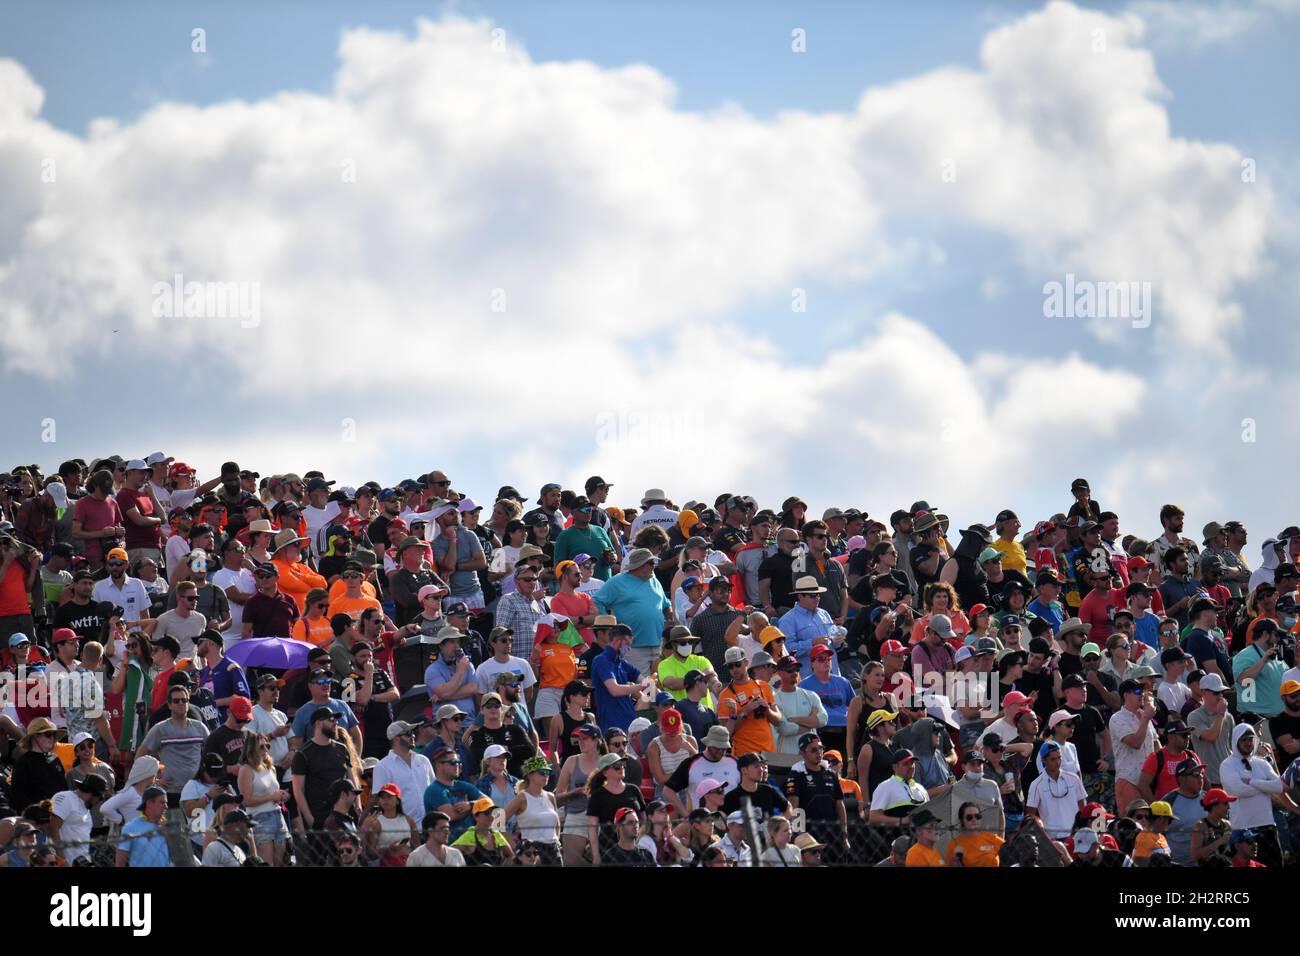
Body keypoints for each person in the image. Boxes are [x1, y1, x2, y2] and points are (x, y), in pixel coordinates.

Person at [1219, 723, 1286, 868]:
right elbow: (1239, 790)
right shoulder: (1227, 765)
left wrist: (1252, 781)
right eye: (1244, 740)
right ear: (1236, 741)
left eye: (1250, 739)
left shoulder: (1262, 763)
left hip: (1267, 825)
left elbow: (1280, 786)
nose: (1248, 743)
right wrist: (1266, 787)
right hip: (1243, 828)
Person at [291, 707, 358, 836]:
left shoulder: (342, 748)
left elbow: (351, 777)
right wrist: (309, 818)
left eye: (336, 720)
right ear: (318, 723)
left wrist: (357, 803)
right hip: (319, 815)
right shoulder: (303, 754)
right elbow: (298, 790)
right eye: (331, 719)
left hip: (346, 812)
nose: (336, 723)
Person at [785, 731, 850, 860]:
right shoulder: (796, 774)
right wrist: (798, 836)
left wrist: (844, 834)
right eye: (813, 750)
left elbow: (840, 804)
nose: (819, 752)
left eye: (820, 748)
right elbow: (794, 805)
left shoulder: (831, 774)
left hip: (833, 834)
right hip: (810, 837)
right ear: (802, 753)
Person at [236, 732, 290, 866]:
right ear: (251, 749)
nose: (266, 749)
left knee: (282, 861)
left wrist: (281, 796)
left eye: (267, 746)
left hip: (278, 815)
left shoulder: (270, 767)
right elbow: (245, 800)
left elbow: (273, 793)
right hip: (259, 818)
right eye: (261, 747)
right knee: (267, 863)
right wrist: (271, 797)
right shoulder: (246, 769)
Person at [555, 722, 603, 866]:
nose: (581, 742)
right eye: (579, 739)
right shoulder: (571, 761)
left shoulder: (606, 761)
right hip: (577, 814)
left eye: (585, 738)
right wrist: (573, 793)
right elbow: (557, 798)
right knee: (571, 863)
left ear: (597, 741)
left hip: (602, 816)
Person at [1109, 679, 1158, 815]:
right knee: (1133, 827)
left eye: (1142, 691)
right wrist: (1146, 718)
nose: (1141, 694)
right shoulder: (1117, 718)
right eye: (1137, 691)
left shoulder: (1144, 715)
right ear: (1125, 695)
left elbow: (1155, 744)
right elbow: (1135, 743)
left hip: (1149, 780)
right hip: (1128, 780)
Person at [502, 755, 561, 864]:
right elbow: (497, 821)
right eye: (542, 772)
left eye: (548, 772)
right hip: (532, 851)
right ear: (530, 775)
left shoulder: (551, 796)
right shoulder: (522, 797)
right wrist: (512, 843)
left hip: (553, 851)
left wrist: (556, 841)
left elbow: (556, 824)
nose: (546, 775)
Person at [422, 742, 486, 842]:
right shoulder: (433, 790)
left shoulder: (463, 785)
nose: (457, 765)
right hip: (448, 846)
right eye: (453, 762)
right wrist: (477, 808)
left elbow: (489, 802)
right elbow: (450, 815)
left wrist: (471, 805)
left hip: (470, 845)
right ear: (439, 766)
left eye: (458, 762)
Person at [1025, 741, 1085, 839]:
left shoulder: (1074, 779)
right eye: (1053, 759)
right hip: (1051, 839)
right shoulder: (1036, 785)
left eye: (1059, 758)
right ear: (1043, 760)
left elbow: (1083, 807)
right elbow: (1030, 816)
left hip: (1075, 836)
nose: (1057, 762)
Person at [361, 782, 419, 866]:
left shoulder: (408, 820)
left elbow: (417, 846)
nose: (385, 800)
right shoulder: (376, 822)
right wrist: (388, 849)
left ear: (397, 801)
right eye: (382, 797)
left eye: (389, 797)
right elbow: (371, 854)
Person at [116, 786, 172, 867]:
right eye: (162, 803)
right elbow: (120, 862)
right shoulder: (131, 828)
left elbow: (179, 854)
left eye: (166, 803)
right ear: (149, 803)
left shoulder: (168, 826)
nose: (166, 806)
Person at [453, 795, 514, 865]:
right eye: (487, 813)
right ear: (476, 816)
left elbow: (510, 855)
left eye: (493, 812)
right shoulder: (469, 835)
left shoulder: (496, 834)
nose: (491, 816)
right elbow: (449, 854)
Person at [945, 800, 1004, 866]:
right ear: (962, 821)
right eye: (969, 817)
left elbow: (1011, 853)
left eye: (977, 816)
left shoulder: (992, 838)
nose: (974, 819)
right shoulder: (953, 845)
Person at [1189, 787, 1236, 866]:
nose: (1229, 807)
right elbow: (1194, 855)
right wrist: (1219, 842)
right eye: (1225, 803)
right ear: (1214, 806)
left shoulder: (1227, 824)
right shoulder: (1200, 826)